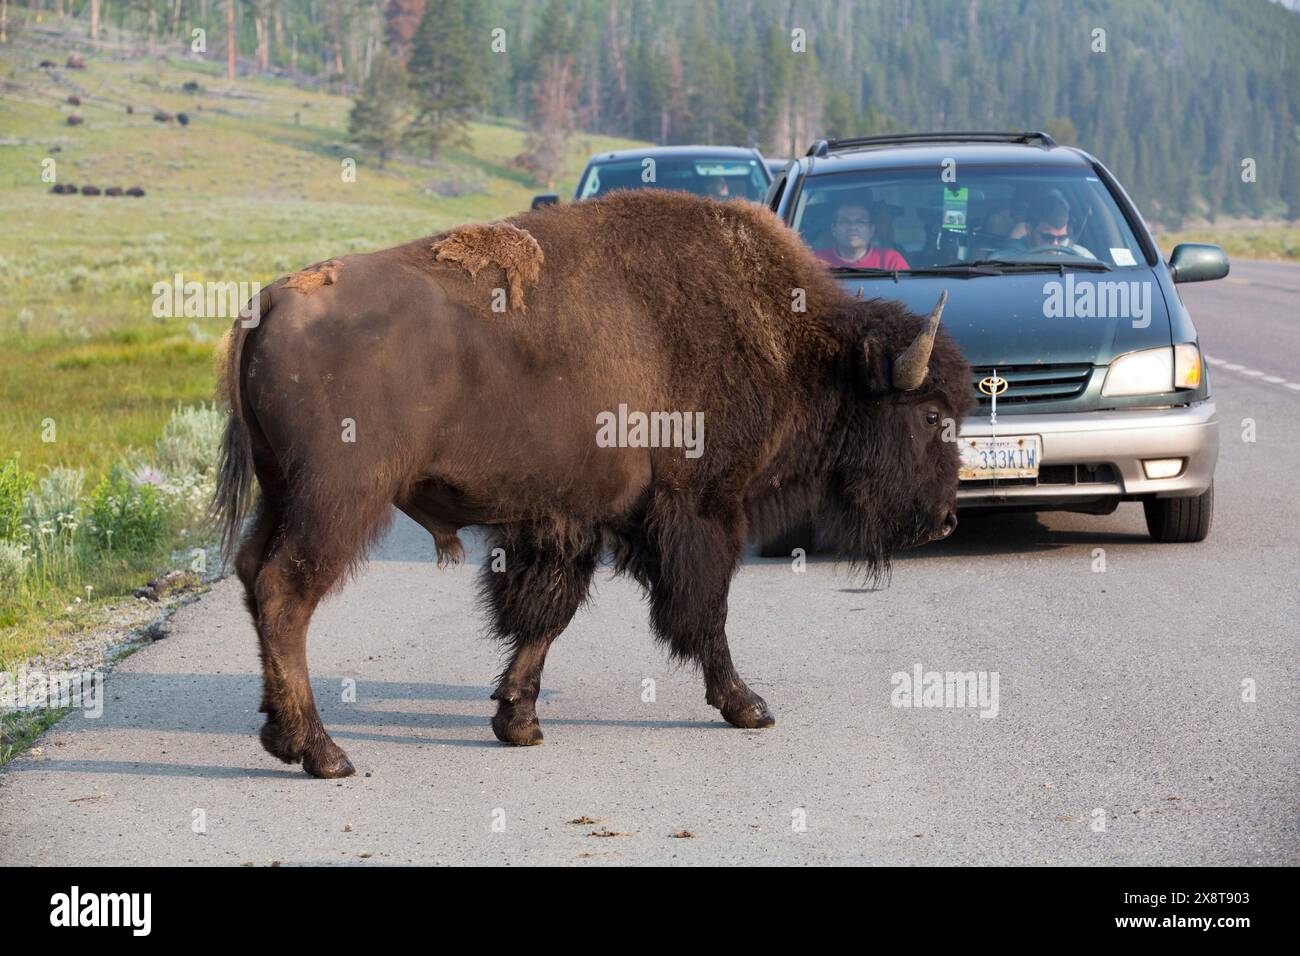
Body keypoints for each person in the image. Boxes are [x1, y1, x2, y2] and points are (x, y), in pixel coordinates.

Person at [996, 190, 1095, 258]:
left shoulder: (1083, 257)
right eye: (1047, 237)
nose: (1055, 246)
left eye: (1061, 238)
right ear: (1028, 229)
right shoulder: (1005, 260)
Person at [814, 202, 909, 269]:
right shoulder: (816, 262)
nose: (852, 227)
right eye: (845, 221)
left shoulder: (891, 261)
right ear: (834, 229)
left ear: (871, 230)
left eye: (860, 222)